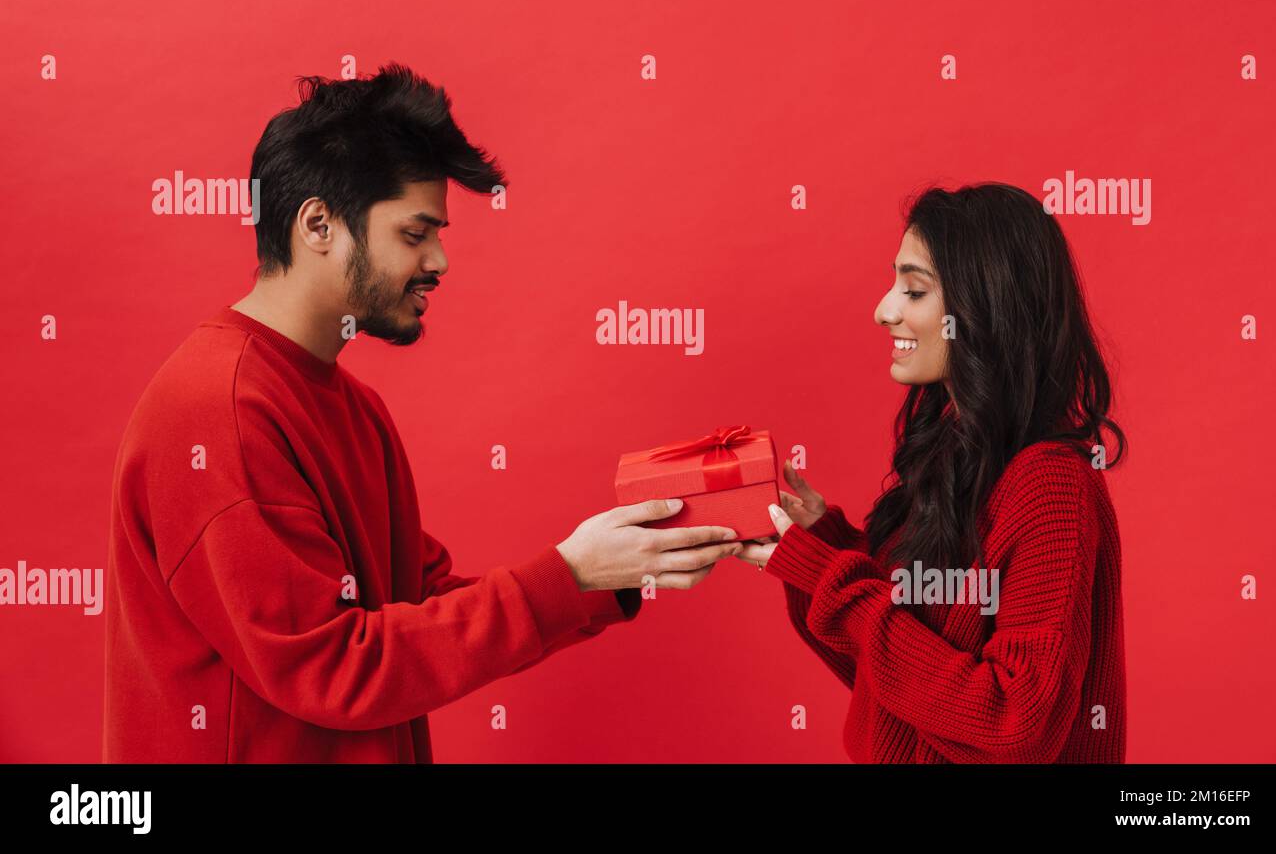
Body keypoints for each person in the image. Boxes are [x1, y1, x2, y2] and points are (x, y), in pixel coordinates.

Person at [103, 63, 742, 763]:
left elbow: (420, 604)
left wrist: (608, 568)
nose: (440, 258)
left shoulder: (355, 408)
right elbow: (334, 666)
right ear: (318, 223)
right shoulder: (216, 412)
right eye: (415, 233)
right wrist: (572, 573)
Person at [738, 183, 1128, 763]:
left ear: (985, 307)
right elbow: (904, 691)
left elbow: (1015, 724)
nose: (884, 309)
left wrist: (832, 579)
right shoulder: (957, 458)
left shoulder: (1050, 486)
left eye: (914, 290)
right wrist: (820, 544)